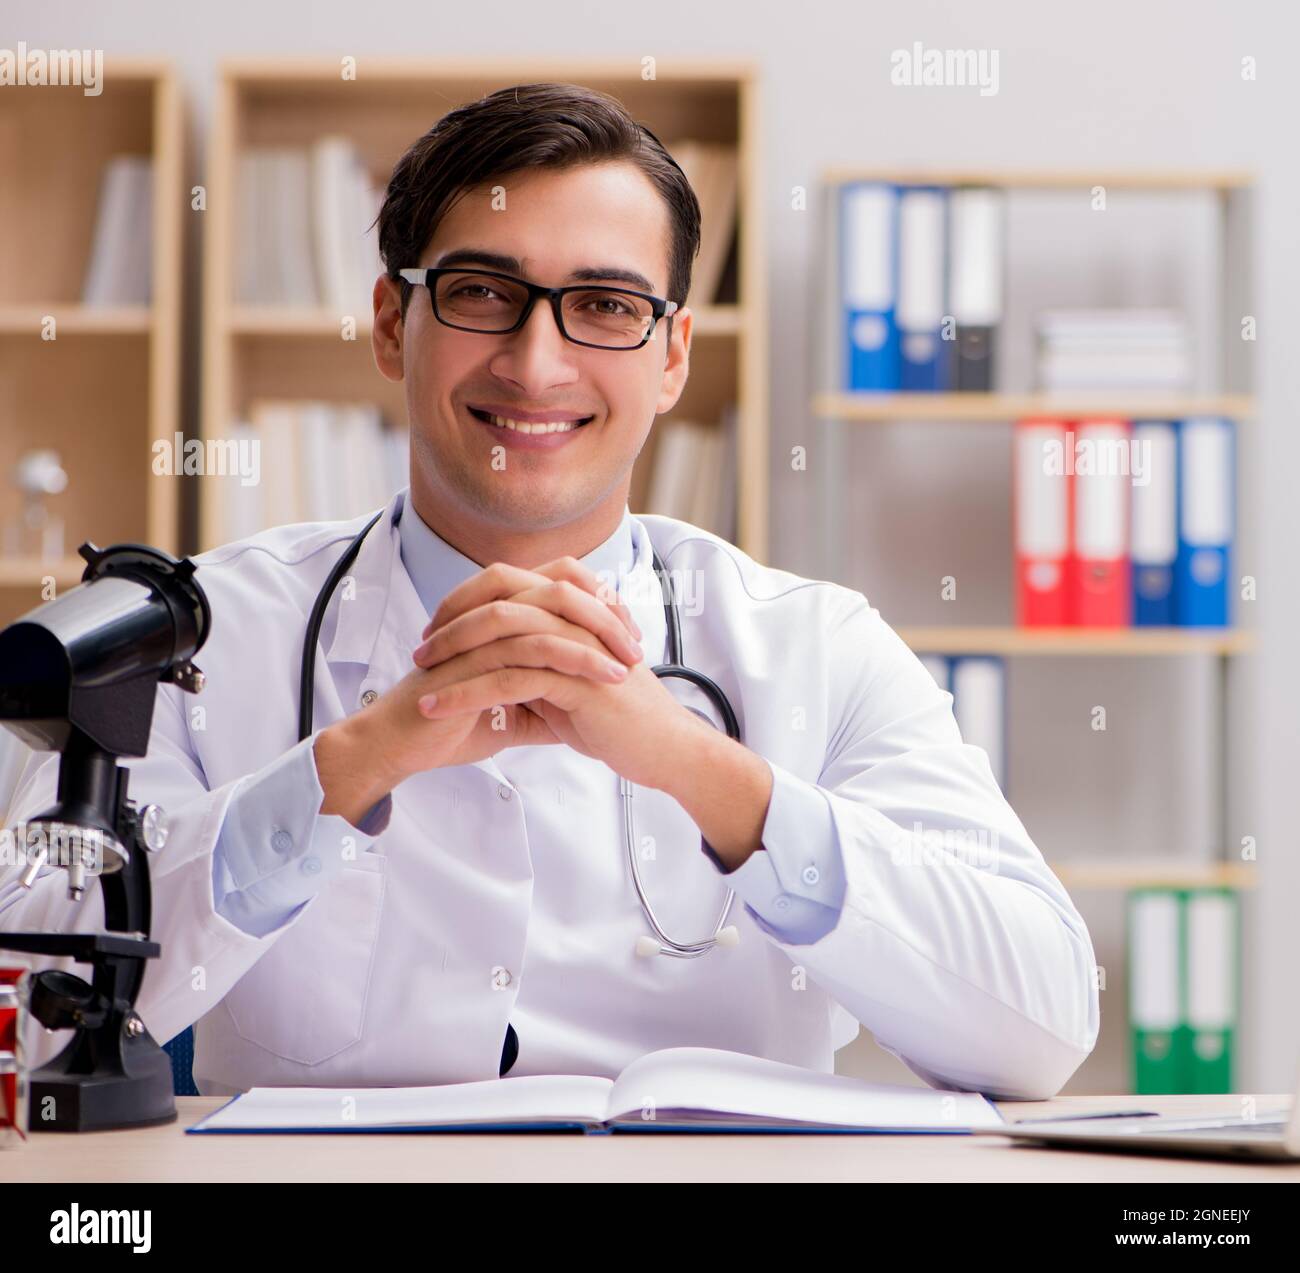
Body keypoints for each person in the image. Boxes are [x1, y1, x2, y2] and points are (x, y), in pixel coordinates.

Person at [1, 82, 1098, 1100]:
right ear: (392, 322)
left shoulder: (815, 646)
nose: (536, 365)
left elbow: (1040, 1028)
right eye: (483, 293)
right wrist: (350, 766)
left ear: (671, 354)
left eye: (606, 306)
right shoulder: (205, 632)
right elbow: (27, 1025)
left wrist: (704, 775)